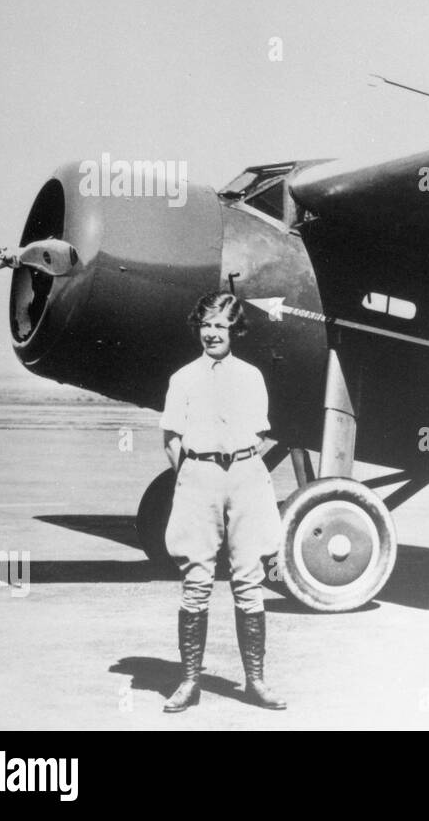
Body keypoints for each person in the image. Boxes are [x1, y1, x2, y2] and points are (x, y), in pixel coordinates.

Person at [158, 291, 286, 712]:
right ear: (199, 328)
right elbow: (171, 439)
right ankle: (189, 681)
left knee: (249, 582)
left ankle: (256, 681)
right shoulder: (183, 378)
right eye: (207, 325)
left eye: (221, 325)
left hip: (246, 478)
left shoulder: (251, 377)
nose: (212, 333)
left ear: (235, 330)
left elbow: (262, 434)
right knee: (196, 583)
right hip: (199, 478)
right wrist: (197, 476)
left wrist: (241, 468)